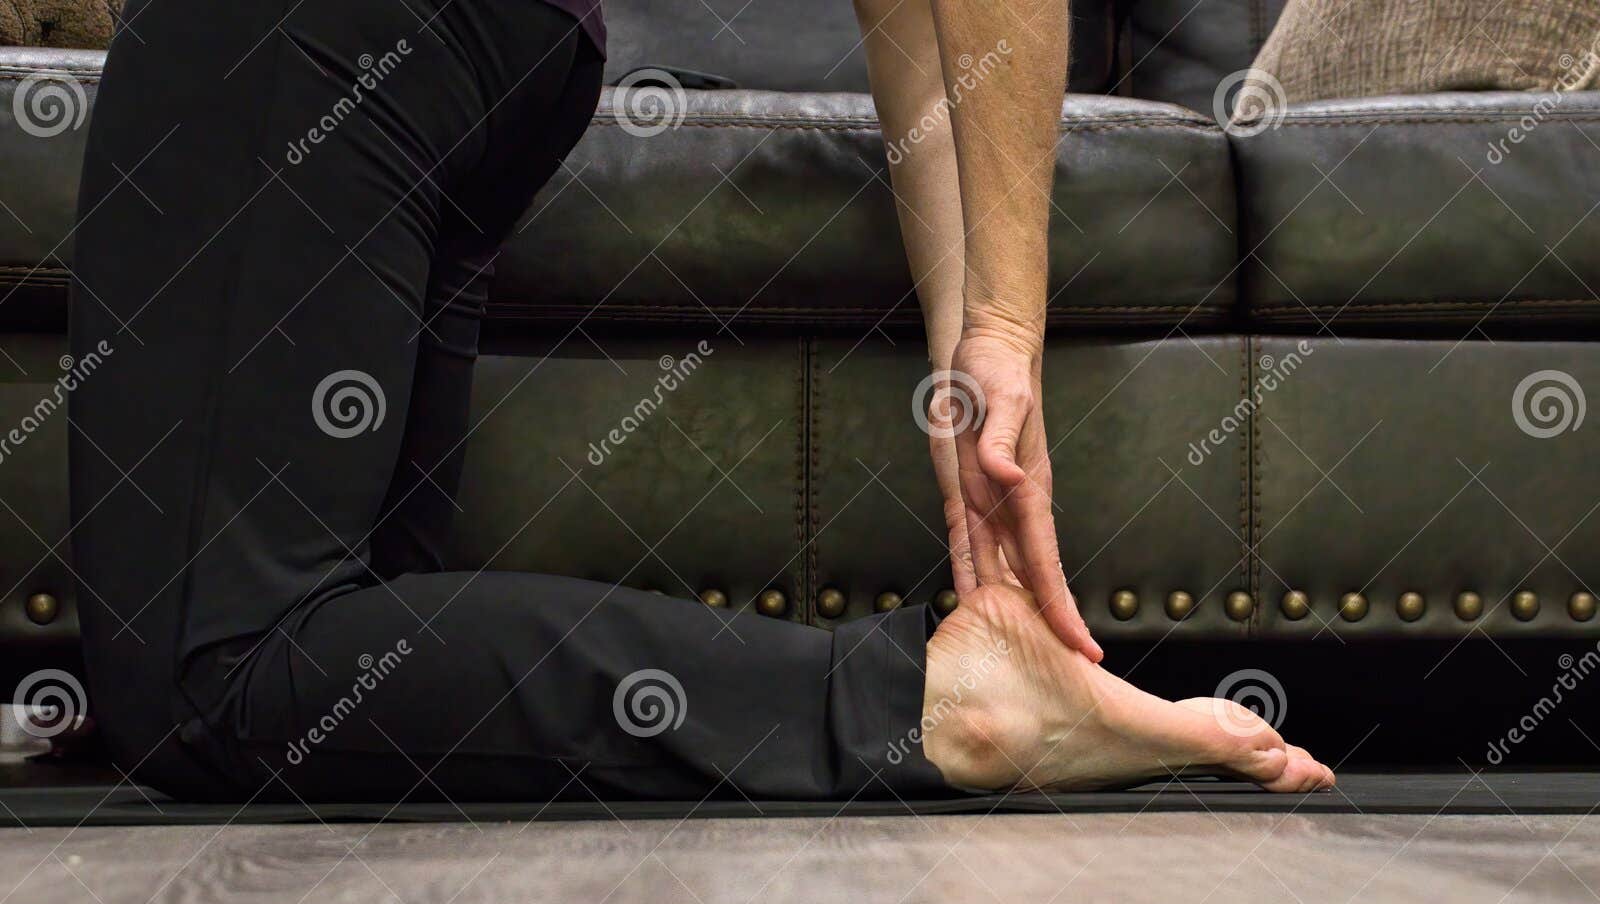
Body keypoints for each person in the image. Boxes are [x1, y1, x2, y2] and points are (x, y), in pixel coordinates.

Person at [67, 0, 1332, 806]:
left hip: (311, 33)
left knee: (220, 672)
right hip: (497, 49)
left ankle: (924, 702)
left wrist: (995, 330)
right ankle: (927, 700)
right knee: (335, 682)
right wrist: (979, 339)